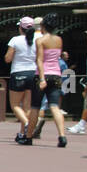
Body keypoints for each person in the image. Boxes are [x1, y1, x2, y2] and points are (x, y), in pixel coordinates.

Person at [32, 14, 67, 147]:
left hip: (43, 75)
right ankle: (62, 136)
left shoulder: (40, 40)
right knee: (54, 106)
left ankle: (28, 136)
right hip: (56, 75)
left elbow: (40, 60)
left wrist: (41, 79)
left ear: (43, 26)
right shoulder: (59, 40)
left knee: (35, 106)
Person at [5, 16, 39, 144]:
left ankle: (27, 124)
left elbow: (8, 58)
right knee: (27, 106)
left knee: (14, 105)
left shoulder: (15, 40)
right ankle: (23, 133)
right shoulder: (38, 39)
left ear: (21, 28)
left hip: (18, 72)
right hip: (33, 73)